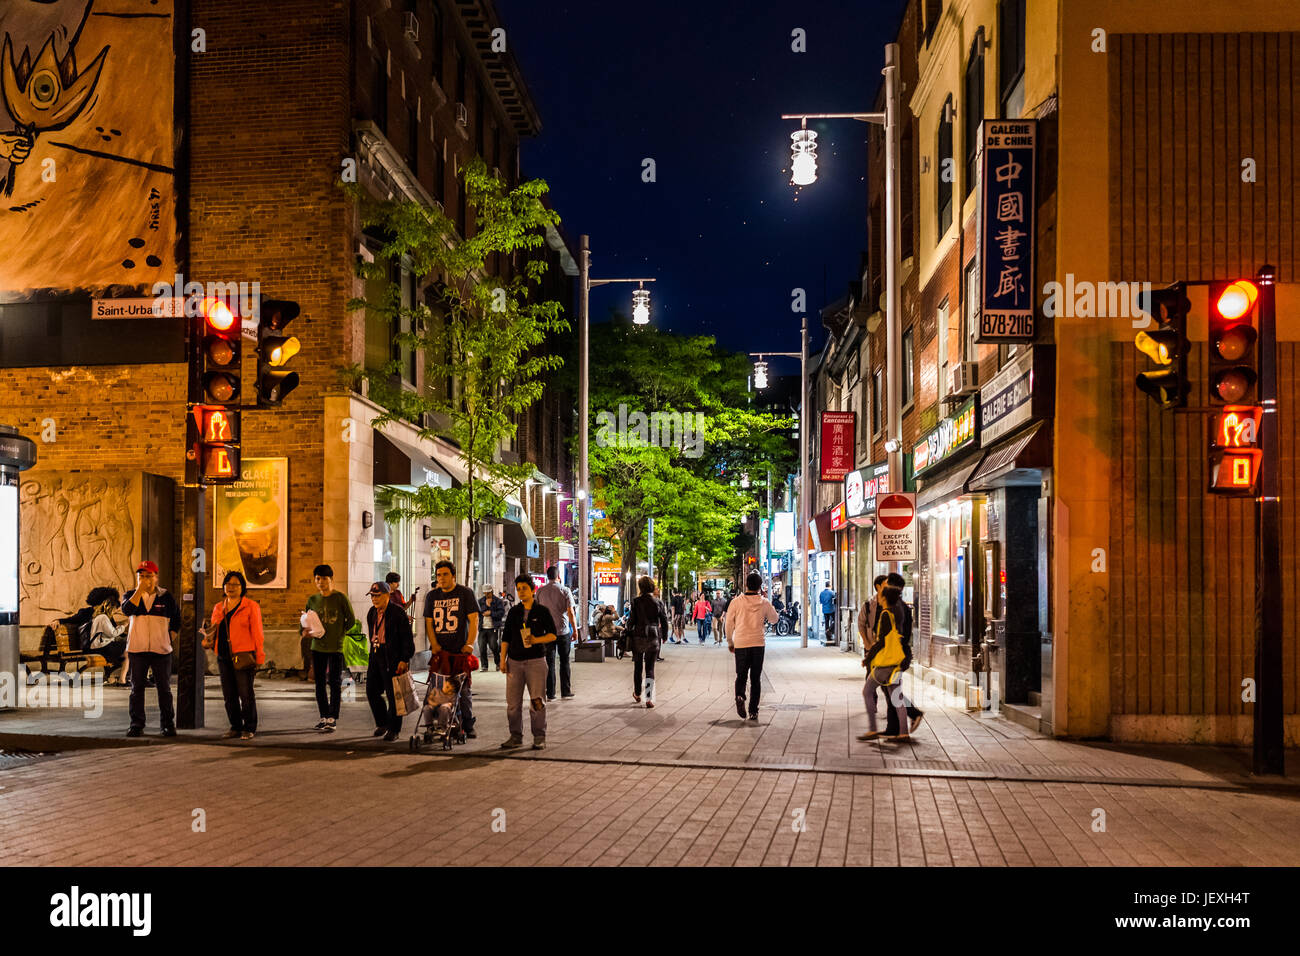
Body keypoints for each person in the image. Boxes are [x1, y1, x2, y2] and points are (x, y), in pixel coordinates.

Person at [122, 560, 182, 738]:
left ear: (156, 577)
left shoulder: (165, 597)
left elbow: (177, 619)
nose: (144, 579)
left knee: (164, 688)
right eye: (141, 576)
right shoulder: (131, 595)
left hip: (161, 651)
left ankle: (167, 724)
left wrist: (168, 637)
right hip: (137, 649)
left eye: (148, 575)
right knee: (137, 688)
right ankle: (136, 724)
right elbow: (126, 610)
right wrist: (139, 591)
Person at [202, 570, 265, 740]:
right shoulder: (218, 607)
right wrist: (207, 641)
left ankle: (249, 727)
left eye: (235, 584)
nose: (230, 587)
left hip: (243, 655)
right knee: (229, 695)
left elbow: (258, 633)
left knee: (245, 693)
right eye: (228, 584)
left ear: (242, 587)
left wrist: (259, 656)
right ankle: (235, 726)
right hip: (223, 656)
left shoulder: (251, 606)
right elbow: (214, 632)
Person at [499, 574, 557, 750]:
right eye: (518, 589)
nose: (521, 592)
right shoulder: (514, 612)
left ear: (533, 590)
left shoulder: (542, 611)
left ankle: (539, 736)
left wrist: (536, 640)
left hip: (536, 662)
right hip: (514, 662)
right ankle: (515, 735)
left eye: (524, 588)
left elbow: (553, 635)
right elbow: (506, 637)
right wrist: (502, 660)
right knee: (513, 704)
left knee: (537, 701)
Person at [422, 561, 480, 736]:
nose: (441, 578)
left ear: (453, 575)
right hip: (441, 653)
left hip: (459, 652)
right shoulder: (432, 596)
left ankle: (468, 725)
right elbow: (429, 623)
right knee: (438, 688)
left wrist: (470, 644)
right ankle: (440, 722)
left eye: (445, 574)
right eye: (438, 575)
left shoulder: (465, 593)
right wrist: (434, 644)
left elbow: (474, 619)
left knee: (463, 690)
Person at [303, 564, 357, 733]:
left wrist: (339, 634)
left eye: (324, 579)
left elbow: (351, 620)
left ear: (331, 580)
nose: (321, 582)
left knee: (334, 682)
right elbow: (306, 620)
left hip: (335, 648)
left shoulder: (340, 598)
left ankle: (333, 717)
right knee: (319, 683)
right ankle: (323, 716)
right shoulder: (312, 600)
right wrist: (306, 632)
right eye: (318, 579)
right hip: (317, 646)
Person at [859, 579, 912, 741]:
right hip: (896, 663)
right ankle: (904, 732)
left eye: (881, 596)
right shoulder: (898, 612)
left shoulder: (886, 615)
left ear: (885, 598)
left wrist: (868, 659)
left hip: (885, 665)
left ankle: (873, 729)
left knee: (867, 691)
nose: (879, 598)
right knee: (897, 697)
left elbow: (882, 641)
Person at [725, 572, 778, 721]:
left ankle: (740, 695)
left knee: (741, 675)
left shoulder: (736, 602)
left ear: (746, 584)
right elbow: (774, 619)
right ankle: (753, 710)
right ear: (760, 586)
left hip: (741, 643)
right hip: (758, 644)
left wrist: (730, 641)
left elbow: (728, 623)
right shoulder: (764, 602)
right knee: (756, 679)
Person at [366, 581, 414, 741]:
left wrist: (404, 659)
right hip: (375, 653)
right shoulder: (371, 612)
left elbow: (407, 638)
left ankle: (394, 728)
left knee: (393, 694)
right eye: (372, 596)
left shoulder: (397, 613)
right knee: (371, 691)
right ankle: (382, 723)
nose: (374, 599)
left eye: (377, 596)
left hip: (392, 656)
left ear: (387, 595)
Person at [536, 565, 577, 701]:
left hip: (547, 632)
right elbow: (570, 612)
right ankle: (565, 691)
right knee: (565, 661)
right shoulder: (565, 590)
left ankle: (551, 693)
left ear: (548, 576)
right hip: (563, 630)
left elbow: (536, 612)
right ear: (558, 576)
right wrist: (575, 630)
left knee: (549, 662)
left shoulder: (540, 591)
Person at [627, 576, 668, 708]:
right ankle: (649, 698)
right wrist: (664, 635)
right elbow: (664, 620)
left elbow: (631, 620)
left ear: (641, 587)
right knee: (650, 668)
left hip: (638, 635)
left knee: (638, 666)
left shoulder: (636, 602)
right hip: (653, 635)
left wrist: (628, 629)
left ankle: (637, 693)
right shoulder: (658, 602)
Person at [82, 587, 127, 683]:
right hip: (102, 648)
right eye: (115, 609)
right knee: (130, 649)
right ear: (110, 607)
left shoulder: (101, 617)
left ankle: (123, 677)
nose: (115, 611)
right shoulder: (103, 617)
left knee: (128, 651)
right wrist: (124, 625)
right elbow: (113, 633)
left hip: (102, 646)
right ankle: (122, 679)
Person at [477, 585, 505, 671]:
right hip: (482, 627)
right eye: (485, 593)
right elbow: (478, 612)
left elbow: (501, 613)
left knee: (493, 646)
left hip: (493, 627)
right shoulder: (480, 601)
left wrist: (491, 612)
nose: (486, 595)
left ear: (491, 592)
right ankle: (484, 666)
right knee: (482, 647)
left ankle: (498, 663)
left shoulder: (498, 601)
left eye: (488, 593)